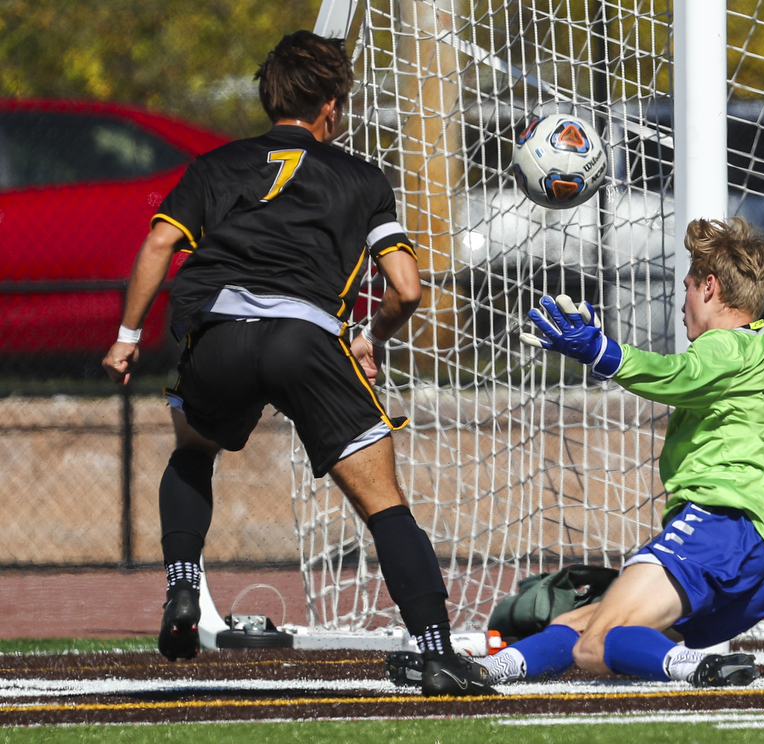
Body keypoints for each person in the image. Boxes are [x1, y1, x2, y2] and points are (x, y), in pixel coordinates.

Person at [102, 30, 495, 697]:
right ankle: (434, 649)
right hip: (305, 339)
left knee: (194, 453)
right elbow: (407, 288)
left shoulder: (215, 164)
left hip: (217, 333)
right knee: (383, 506)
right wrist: (373, 337)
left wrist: (125, 335)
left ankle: (183, 588)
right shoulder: (361, 177)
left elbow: (161, 241)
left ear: (269, 97)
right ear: (333, 106)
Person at [387, 216, 764, 689]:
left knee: (596, 647)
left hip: (718, 529)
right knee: (586, 626)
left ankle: (702, 669)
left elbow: (675, 376)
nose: (682, 303)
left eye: (688, 287)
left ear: (710, 287)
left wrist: (601, 351)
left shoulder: (725, 346)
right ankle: (480, 670)